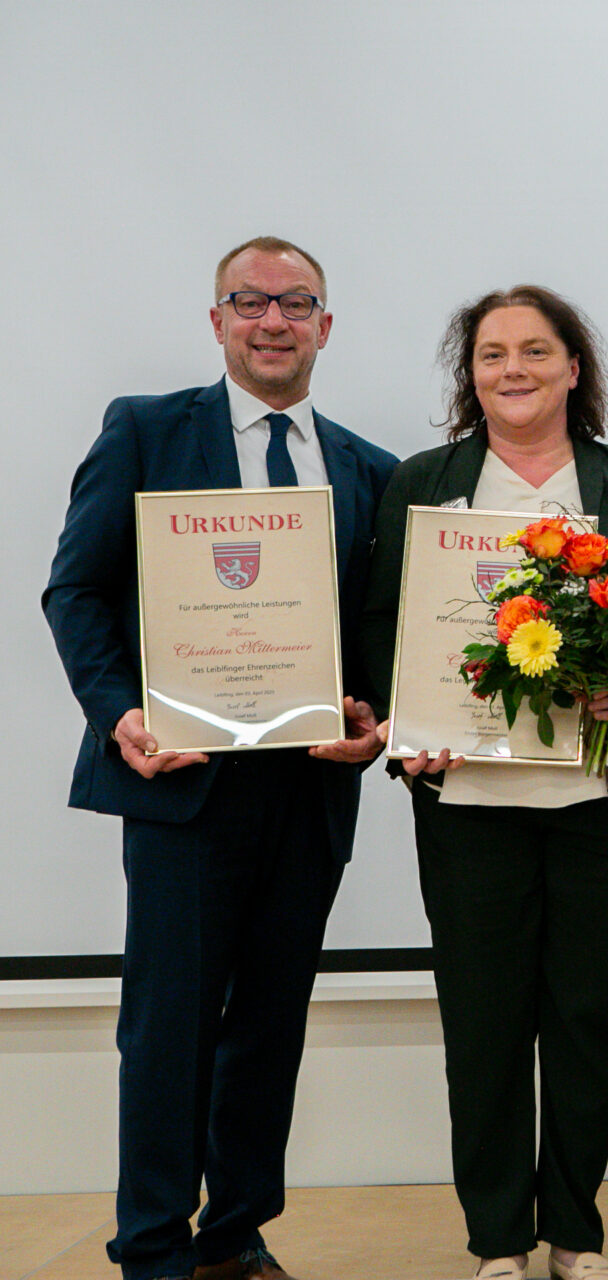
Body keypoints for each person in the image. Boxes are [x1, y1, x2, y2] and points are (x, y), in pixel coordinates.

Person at [41, 237, 396, 1280]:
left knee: (271, 1023)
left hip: (307, 790)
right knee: (169, 1028)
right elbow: (78, 590)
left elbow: (372, 637)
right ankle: (152, 1246)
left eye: (297, 303)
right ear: (218, 321)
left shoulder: (368, 468)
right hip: (181, 785)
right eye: (251, 301)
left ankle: (234, 1232)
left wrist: (372, 715)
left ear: (326, 325)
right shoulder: (148, 431)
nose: (273, 320)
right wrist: (118, 714)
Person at [360, 286, 608, 1280]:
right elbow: (383, 627)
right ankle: (499, 1236)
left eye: (536, 351)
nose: (513, 369)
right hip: (469, 804)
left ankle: (575, 1230)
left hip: (602, 794)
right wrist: (404, 729)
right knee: (486, 1019)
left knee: (591, 1019)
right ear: (471, 373)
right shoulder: (425, 480)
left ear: (574, 367)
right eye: (492, 353)